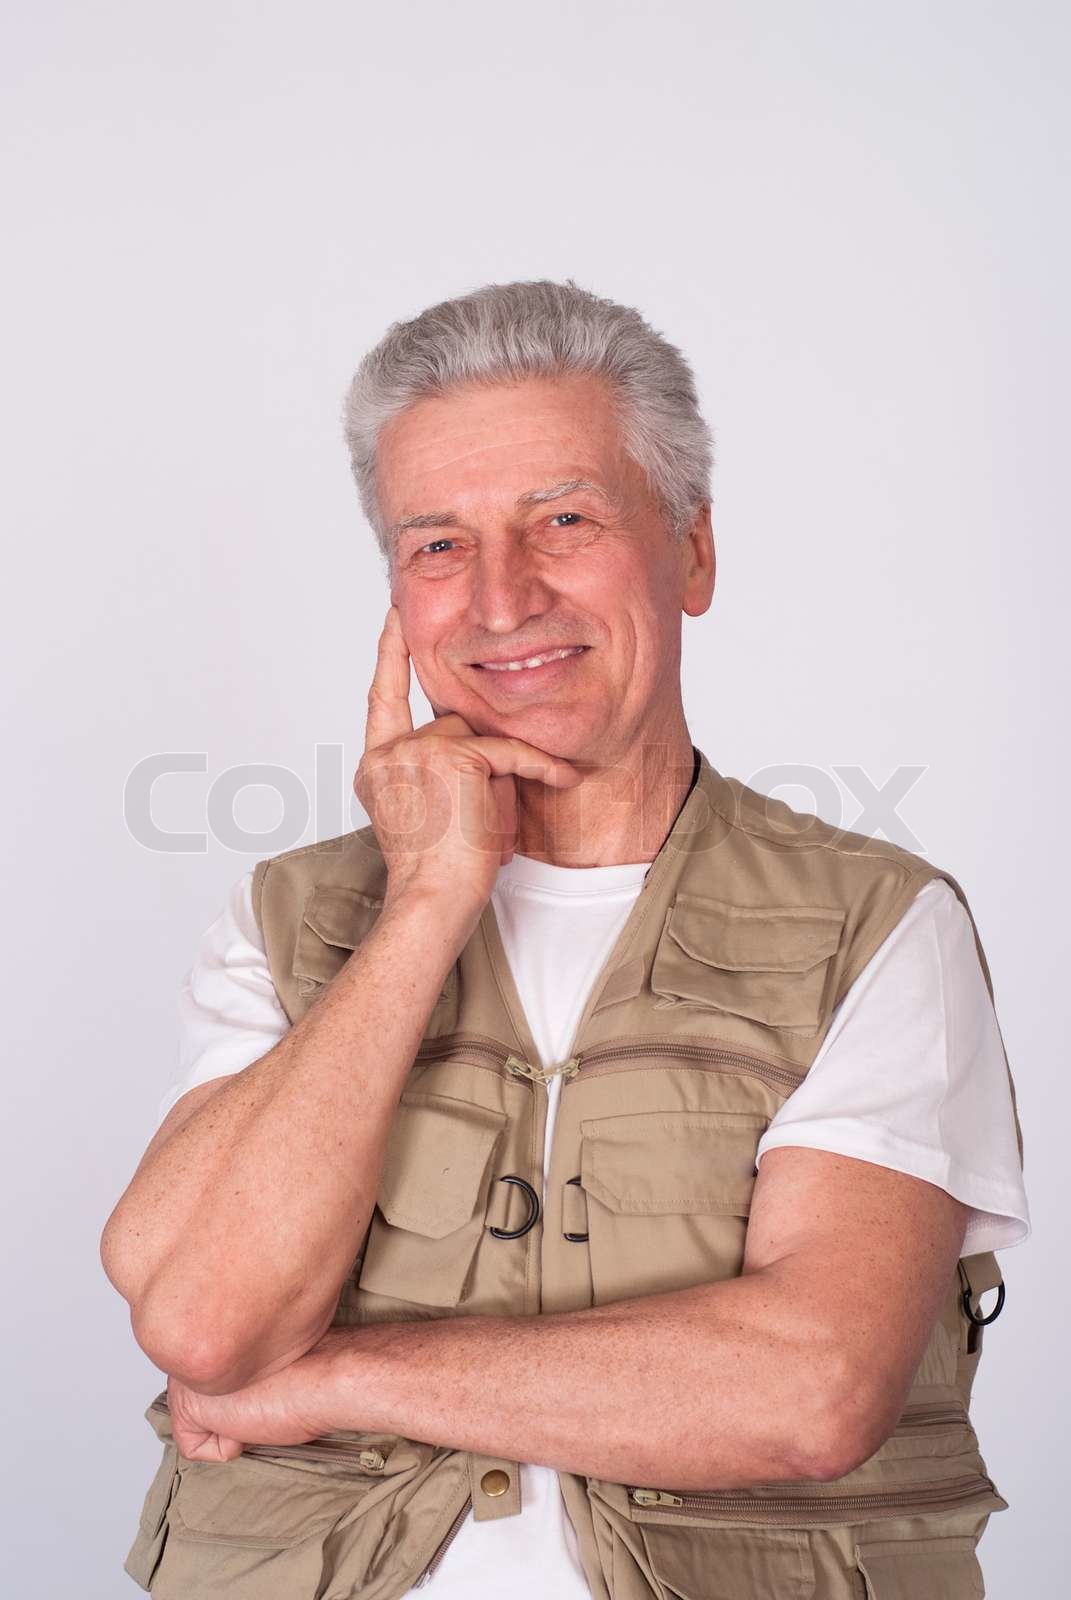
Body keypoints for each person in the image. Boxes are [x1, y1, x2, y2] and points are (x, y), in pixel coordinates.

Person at [101, 280, 1029, 1600]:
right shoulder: (286, 922)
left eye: (565, 521)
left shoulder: (878, 926)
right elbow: (203, 1323)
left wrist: (332, 1379)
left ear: (692, 553)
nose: (501, 598)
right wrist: (427, 903)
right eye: (438, 545)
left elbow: (810, 1388)